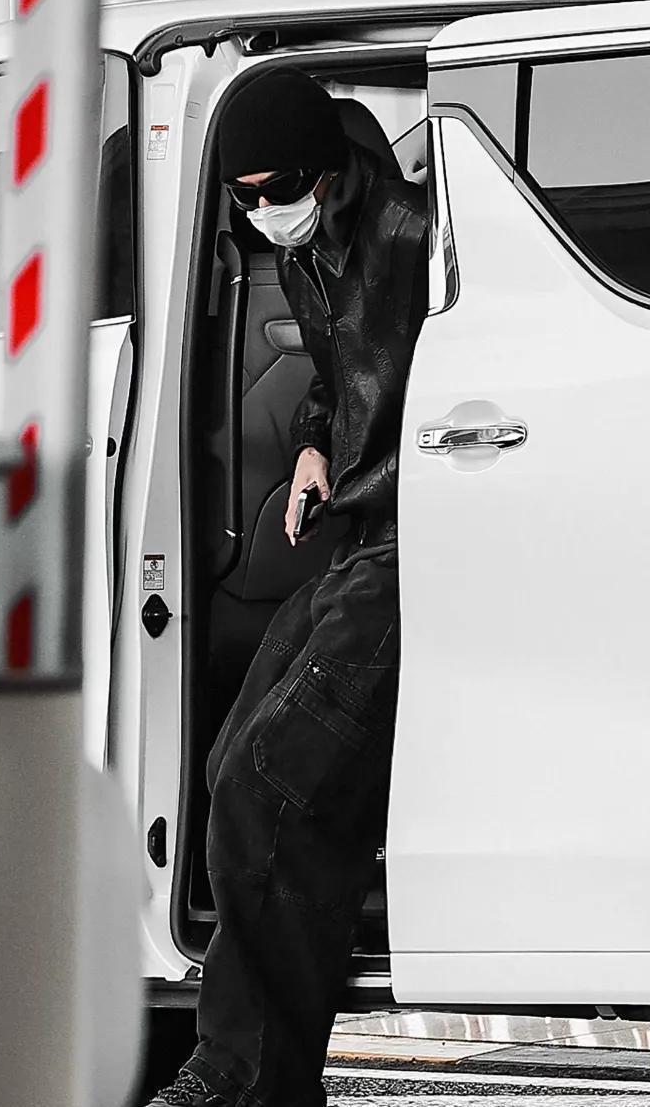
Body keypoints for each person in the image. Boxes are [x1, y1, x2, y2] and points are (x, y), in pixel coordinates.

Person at [148, 67, 428, 1106]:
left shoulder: (415, 238)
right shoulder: (311, 248)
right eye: (246, 197)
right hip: (361, 534)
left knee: (273, 777)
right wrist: (316, 443)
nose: (266, 211)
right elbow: (334, 372)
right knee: (231, 762)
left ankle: (244, 1075)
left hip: (424, 539)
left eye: (280, 189)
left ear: (331, 169)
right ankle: (247, 1064)